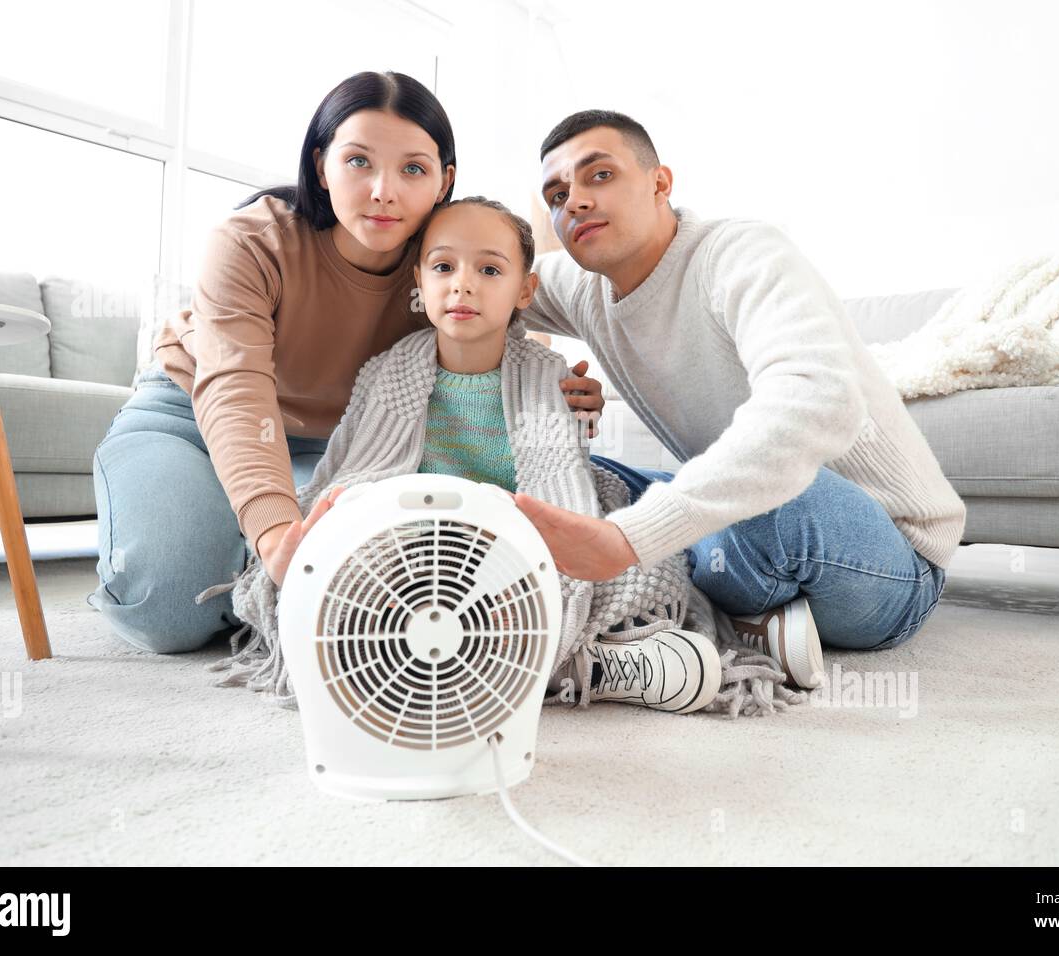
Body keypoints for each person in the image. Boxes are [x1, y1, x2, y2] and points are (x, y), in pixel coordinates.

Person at [85, 72, 604, 655]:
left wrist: (560, 392)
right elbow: (235, 390)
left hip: (335, 446)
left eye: (412, 168)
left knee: (381, 577)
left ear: (444, 181)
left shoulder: (441, 261)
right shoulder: (252, 240)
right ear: (321, 163)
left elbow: (515, 312)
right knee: (173, 608)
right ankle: (173, 529)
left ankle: (220, 533)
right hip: (191, 417)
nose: (384, 190)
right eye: (359, 161)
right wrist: (274, 531)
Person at [206, 196, 729, 715]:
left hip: (512, 544)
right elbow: (358, 475)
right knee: (342, 576)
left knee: (635, 565)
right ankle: (563, 666)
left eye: (489, 269)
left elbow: (560, 488)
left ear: (525, 289)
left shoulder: (550, 377)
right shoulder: (388, 371)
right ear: (419, 281)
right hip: (417, 543)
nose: (463, 284)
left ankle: (574, 659)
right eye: (443, 267)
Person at [510, 110, 966, 676]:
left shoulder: (741, 253)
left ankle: (682, 614)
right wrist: (539, 378)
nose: (573, 202)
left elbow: (814, 401)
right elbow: (463, 293)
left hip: (887, 555)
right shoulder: (581, 287)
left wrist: (629, 538)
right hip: (738, 526)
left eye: (598, 175)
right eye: (556, 193)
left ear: (660, 184)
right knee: (564, 478)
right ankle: (706, 615)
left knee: (777, 499)